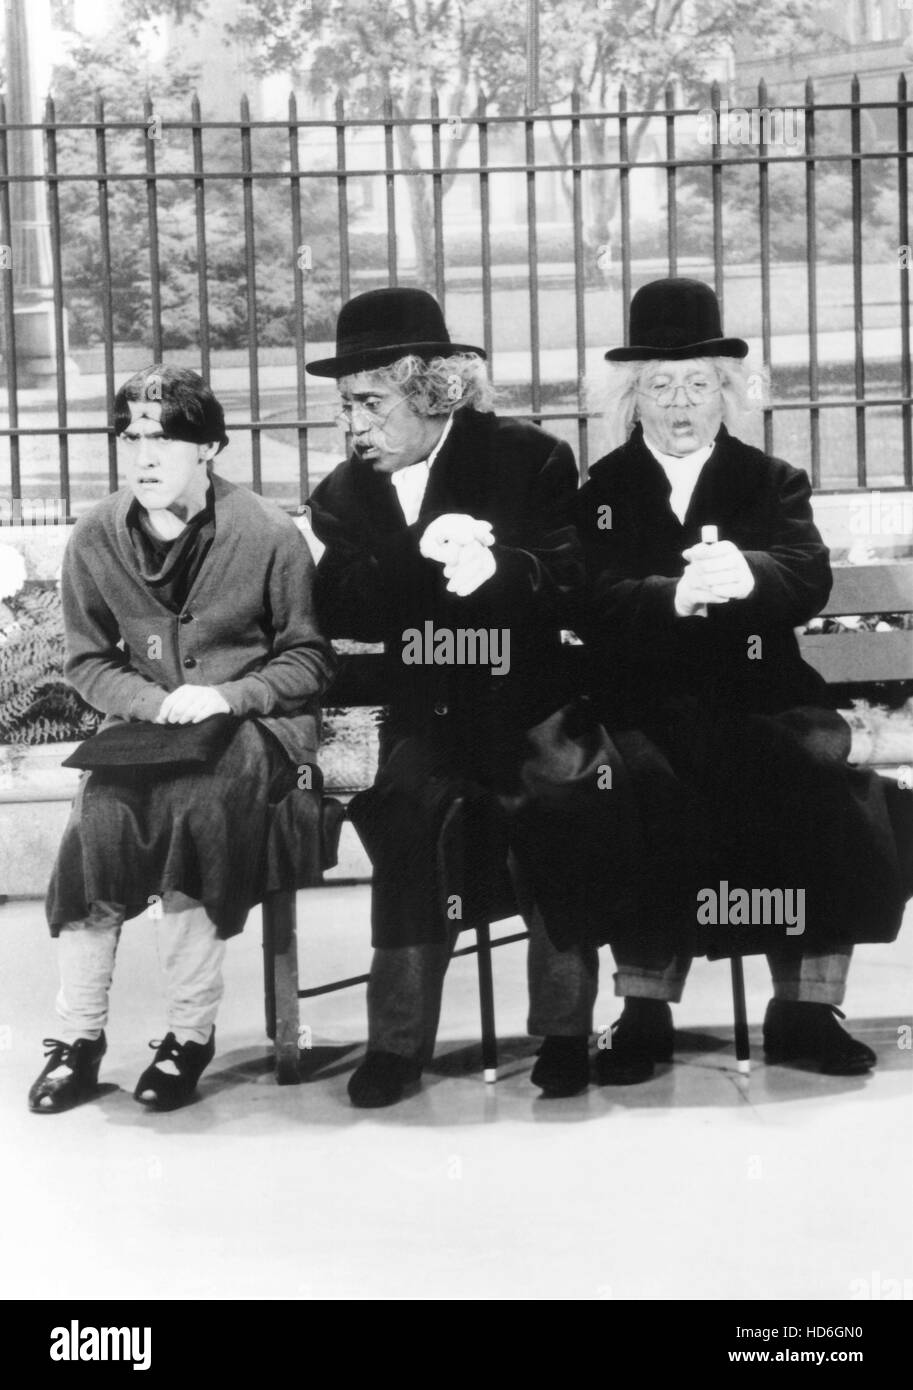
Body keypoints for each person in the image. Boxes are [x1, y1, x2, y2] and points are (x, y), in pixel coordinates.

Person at [572, 277, 910, 1083]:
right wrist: (671, 595)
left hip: (760, 695)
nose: (681, 404)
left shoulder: (769, 479)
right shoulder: (603, 491)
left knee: (827, 788)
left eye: (699, 384)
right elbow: (585, 593)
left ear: (726, 393)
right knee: (633, 789)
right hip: (643, 700)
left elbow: (807, 577)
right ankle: (644, 1008)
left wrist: (750, 573)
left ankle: (805, 1007)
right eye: (660, 386)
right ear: (632, 398)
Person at [305, 287, 637, 1106]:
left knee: (563, 800)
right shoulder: (343, 493)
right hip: (422, 711)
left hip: (529, 698)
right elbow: (340, 603)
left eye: (370, 402)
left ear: (432, 391)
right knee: (405, 818)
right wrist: (416, 554)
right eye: (346, 406)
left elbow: (572, 579)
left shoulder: (528, 459)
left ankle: (562, 1032)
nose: (354, 425)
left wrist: (504, 570)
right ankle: (395, 1044)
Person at [29, 366, 335, 1114]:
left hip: (252, 728)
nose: (145, 455)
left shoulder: (267, 531)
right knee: (98, 823)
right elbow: (88, 661)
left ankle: (187, 1035)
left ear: (210, 448)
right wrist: (151, 703)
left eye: (166, 437)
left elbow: (307, 656)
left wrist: (229, 695)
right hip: (143, 731)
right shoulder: (97, 534)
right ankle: (78, 1037)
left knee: (199, 810)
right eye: (130, 436)